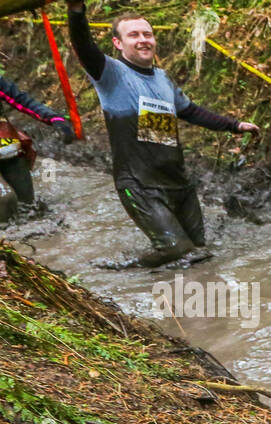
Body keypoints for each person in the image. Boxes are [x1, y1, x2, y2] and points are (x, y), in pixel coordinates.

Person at [65, 2, 259, 266]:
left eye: (147, 34)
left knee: (200, 252)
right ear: (118, 43)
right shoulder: (110, 74)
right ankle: (121, 269)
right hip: (139, 184)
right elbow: (83, 45)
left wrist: (234, 125)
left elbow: (190, 111)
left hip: (178, 182)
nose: (143, 40)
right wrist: (76, 11)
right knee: (174, 249)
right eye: (133, 35)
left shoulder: (163, 78)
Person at [0, 75, 75, 216]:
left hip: (7, 150)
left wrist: (54, 118)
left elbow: (22, 100)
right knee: (5, 201)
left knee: (28, 206)